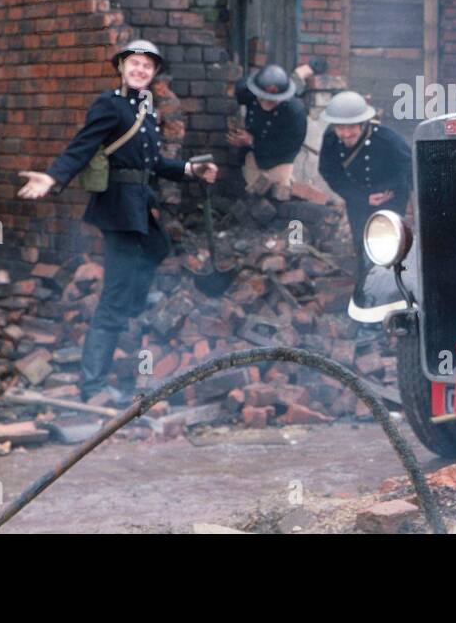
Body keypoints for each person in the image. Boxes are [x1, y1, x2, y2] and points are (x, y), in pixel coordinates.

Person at [16, 39, 217, 404]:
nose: (140, 70)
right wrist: (53, 177)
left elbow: (153, 164)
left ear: (153, 73)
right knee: (112, 300)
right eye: (134, 64)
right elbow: (82, 144)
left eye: (147, 66)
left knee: (159, 246)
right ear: (122, 66)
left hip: (139, 205)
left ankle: (131, 308)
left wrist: (190, 169)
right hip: (118, 209)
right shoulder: (108, 104)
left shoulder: (146, 106)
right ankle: (92, 385)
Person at [318, 91, 412, 263]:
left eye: (351, 128)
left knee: (389, 245)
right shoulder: (330, 139)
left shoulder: (388, 139)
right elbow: (329, 172)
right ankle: (365, 282)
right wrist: (361, 197)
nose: (346, 134)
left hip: (390, 199)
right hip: (358, 197)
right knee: (363, 245)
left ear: (363, 124)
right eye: (340, 127)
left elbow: (411, 169)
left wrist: (401, 194)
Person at [228, 63, 310, 201]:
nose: (267, 103)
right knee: (255, 194)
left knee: (282, 194)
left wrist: (252, 141)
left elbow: (289, 147)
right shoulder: (248, 91)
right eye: (262, 98)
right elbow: (238, 90)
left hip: (281, 158)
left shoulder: (295, 112)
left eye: (273, 100)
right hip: (254, 155)